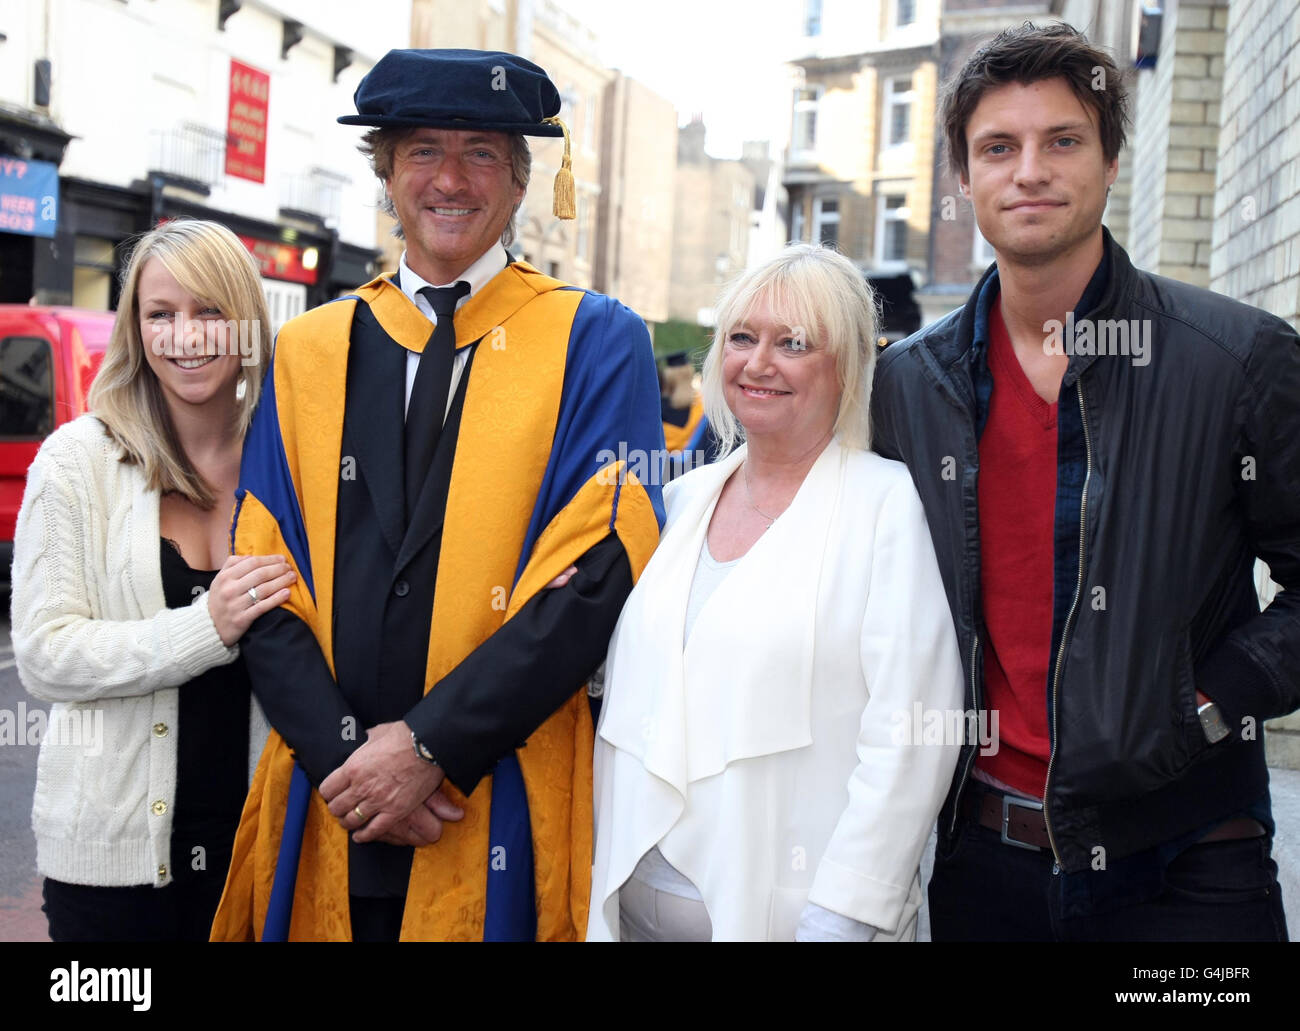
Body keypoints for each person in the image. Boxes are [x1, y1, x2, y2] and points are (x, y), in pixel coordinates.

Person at [210, 48, 665, 942]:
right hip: (331, 796)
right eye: (421, 150)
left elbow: (599, 570)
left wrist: (426, 750)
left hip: (495, 791)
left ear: (523, 179)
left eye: (482, 152)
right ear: (385, 173)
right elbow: (264, 573)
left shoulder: (595, 341)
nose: (450, 178)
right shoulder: (310, 348)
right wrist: (352, 766)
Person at [871, 22, 1300, 940]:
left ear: (1110, 166)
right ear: (964, 180)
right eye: (999, 147)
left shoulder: (1235, 359)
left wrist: (1204, 708)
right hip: (979, 860)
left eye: (1062, 140)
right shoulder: (906, 383)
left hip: (1190, 863)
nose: (1029, 170)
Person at [588, 244, 964, 941]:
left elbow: (910, 734)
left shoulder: (886, 506)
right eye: (742, 337)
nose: (758, 363)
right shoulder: (685, 496)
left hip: (791, 916)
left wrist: (845, 914)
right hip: (628, 906)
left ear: (846, 366)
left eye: (793, 343)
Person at [10, 218, 289, 941]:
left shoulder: (287, 461)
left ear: (247, 324)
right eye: (161, 314)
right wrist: (207, 626)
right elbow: (44, 652)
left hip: (255, 854)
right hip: (110, 874)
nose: (185, 336)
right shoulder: (78, 461)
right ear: (137, 329)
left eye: (208, 312)